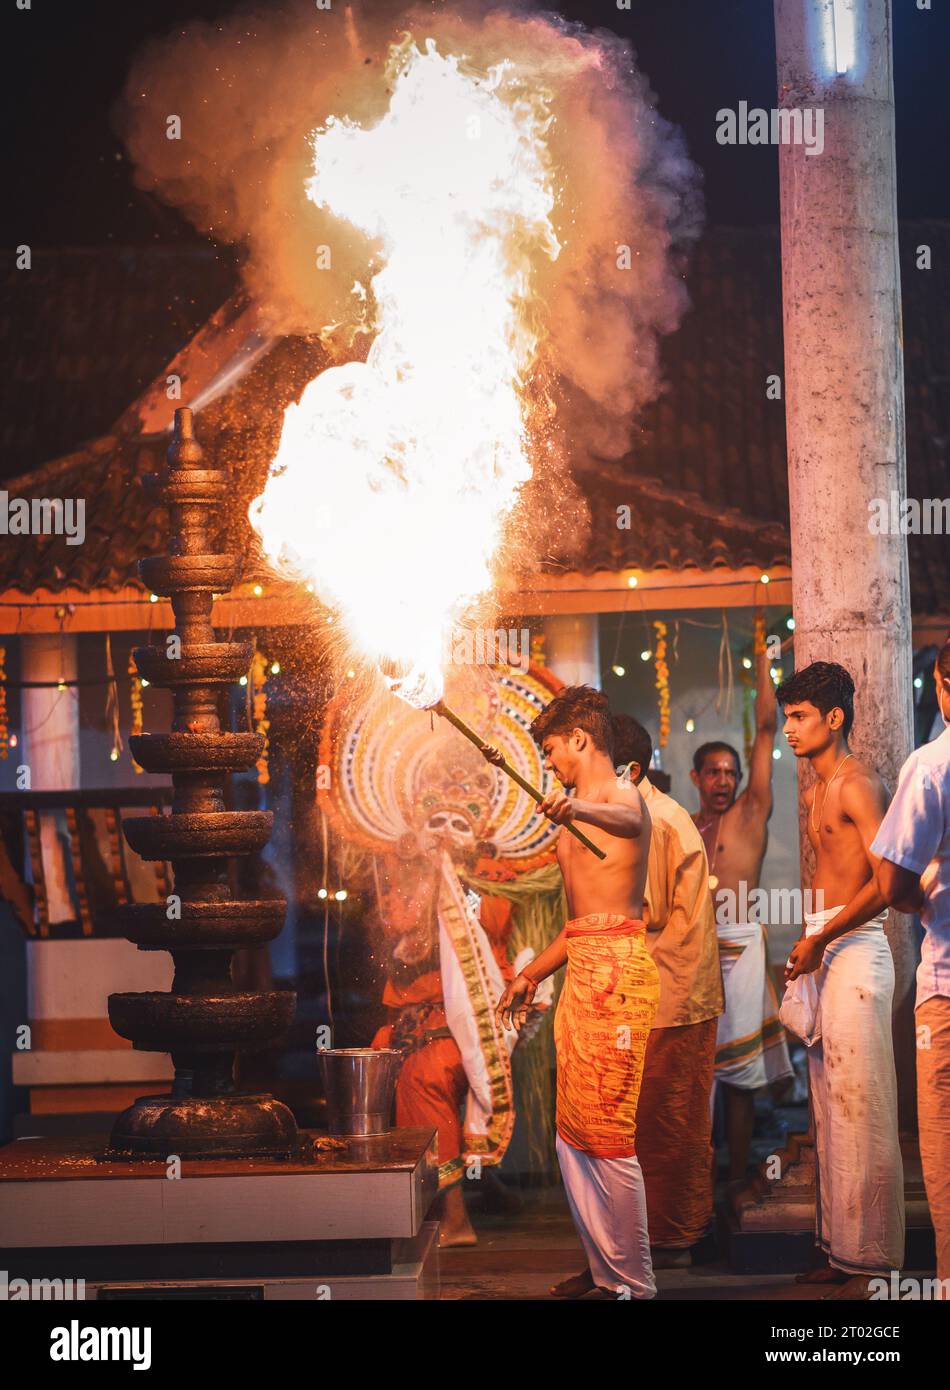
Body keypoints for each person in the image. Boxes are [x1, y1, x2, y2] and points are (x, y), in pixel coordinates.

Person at [489, 686, 659, 1300]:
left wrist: (576, 812)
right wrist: (530, 974)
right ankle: (609, 1275)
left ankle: (636, 1286)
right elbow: (579, 923)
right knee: (574, 1135)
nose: (551, 761)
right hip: (582, 969)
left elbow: (632, 819)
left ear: (582, 740)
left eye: (553, 748)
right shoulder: (575, 812)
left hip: (619, 977)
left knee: (609, 1134)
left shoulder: (618, 794)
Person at [777, 660, 905, 1297]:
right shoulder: (814, 790)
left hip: (855, 952)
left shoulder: (857, 784)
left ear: (834, 718)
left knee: (863, 1110)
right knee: (829, 1111)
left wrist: (821, 937)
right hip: (826, 947)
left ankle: (874, 1265)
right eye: (786, 719)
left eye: (800, 717)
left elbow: (887, 884)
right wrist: (812, 941)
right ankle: (840, 1249)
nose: (789, 731)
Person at [615, 713, 723, 1262]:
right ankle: (663, 1236)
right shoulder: (647, 813)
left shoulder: (651, 820)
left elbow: (648, 911)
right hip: (665, 993)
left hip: (671, 996)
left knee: (666, 1121)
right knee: (661, 1119)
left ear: (628, 769)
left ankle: (671, 1239)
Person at [690, 646, 792, 1179]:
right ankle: (698, 1186)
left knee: (740, 1072)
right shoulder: (683, 825)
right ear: (697, 777)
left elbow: (768, 729)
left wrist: (764, 664)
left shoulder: (752, 813)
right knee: (699, 1071)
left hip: (742, 948)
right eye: (714, 772)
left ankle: (734, 1183)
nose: (725, 780)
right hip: (697, 953)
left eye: (731, 771)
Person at [873, 638, 950, 1291]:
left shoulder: (932, 766)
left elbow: (893, 881)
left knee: (946, 1149)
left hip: (945, 993)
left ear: (942, 689)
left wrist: (923, 901)